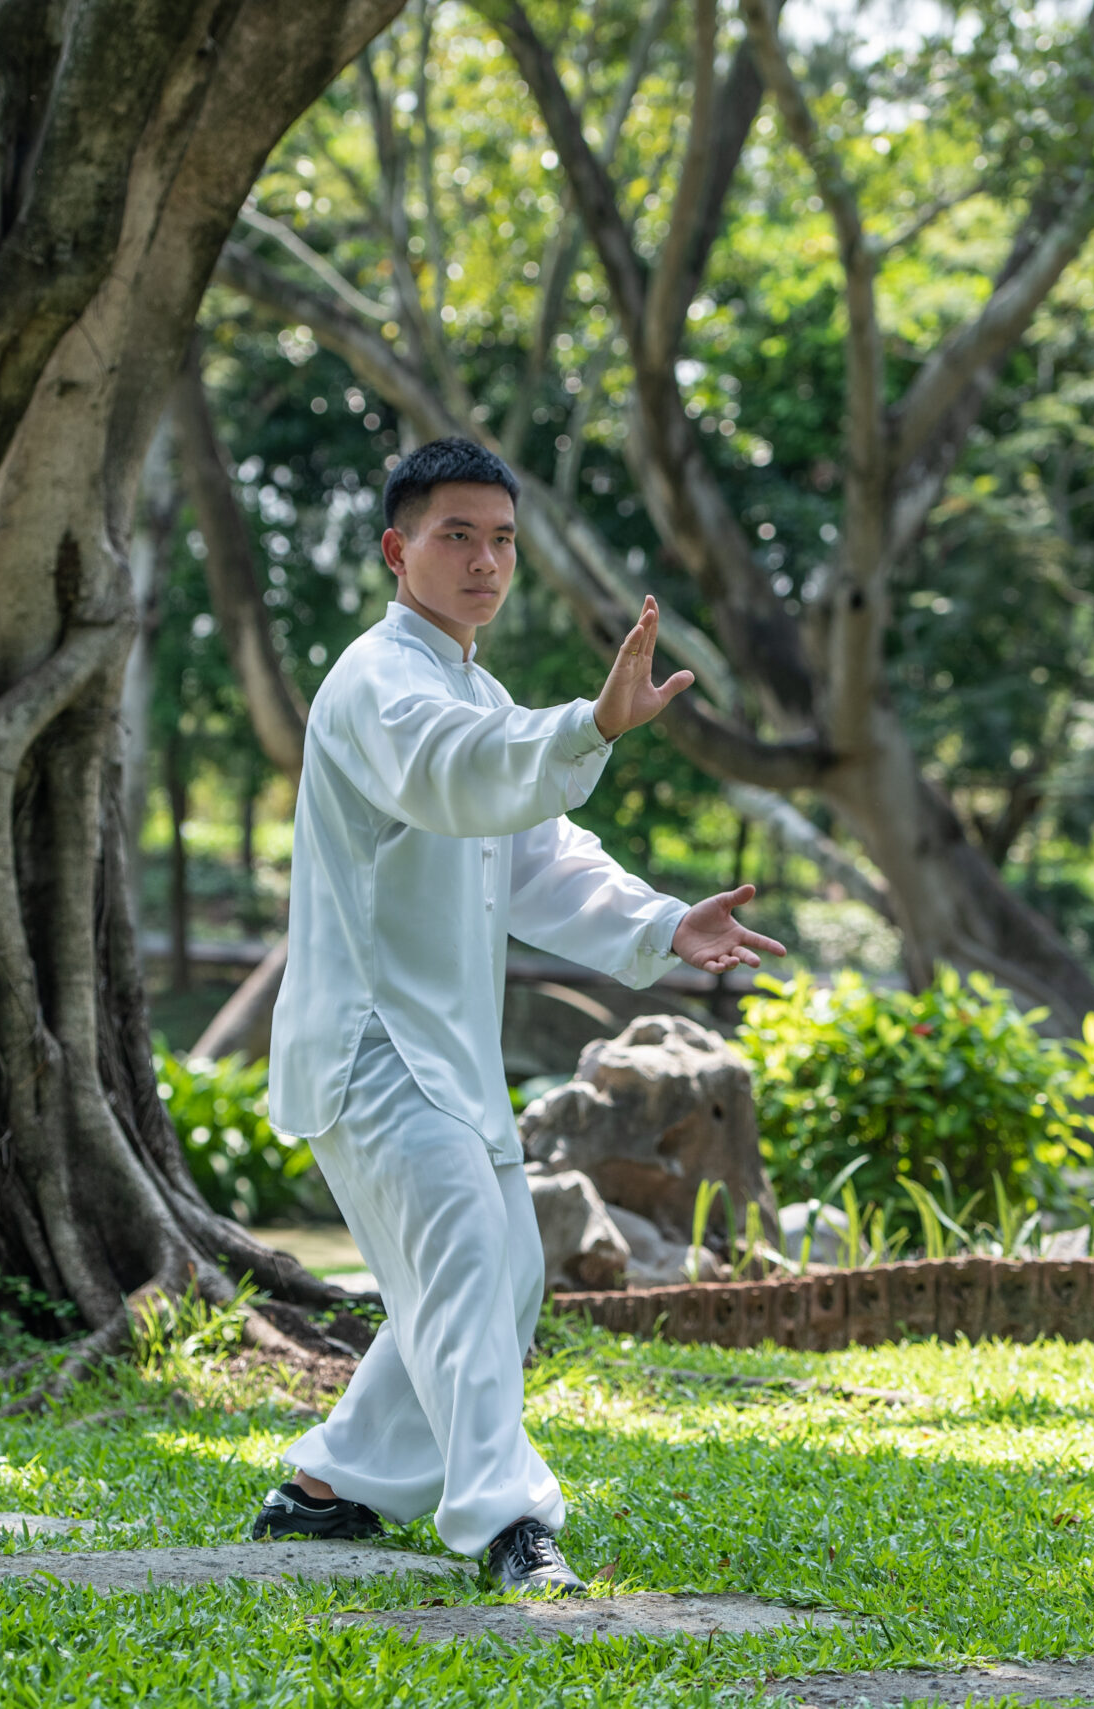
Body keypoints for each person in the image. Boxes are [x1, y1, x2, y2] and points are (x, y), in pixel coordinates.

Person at [246, 437, 786, 1592]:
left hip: (442, 1051)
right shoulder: (380, 682)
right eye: (456, 535)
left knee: (503, 1276)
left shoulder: (472, 689)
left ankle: (326, 1486)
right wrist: (588, 726)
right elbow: (456, 769)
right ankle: (507, 1523)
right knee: (461, 1264)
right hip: (371, 1044)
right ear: (398, 551)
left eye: (500, 539)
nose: (484, 560)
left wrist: (660, 924)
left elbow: (540, 860)